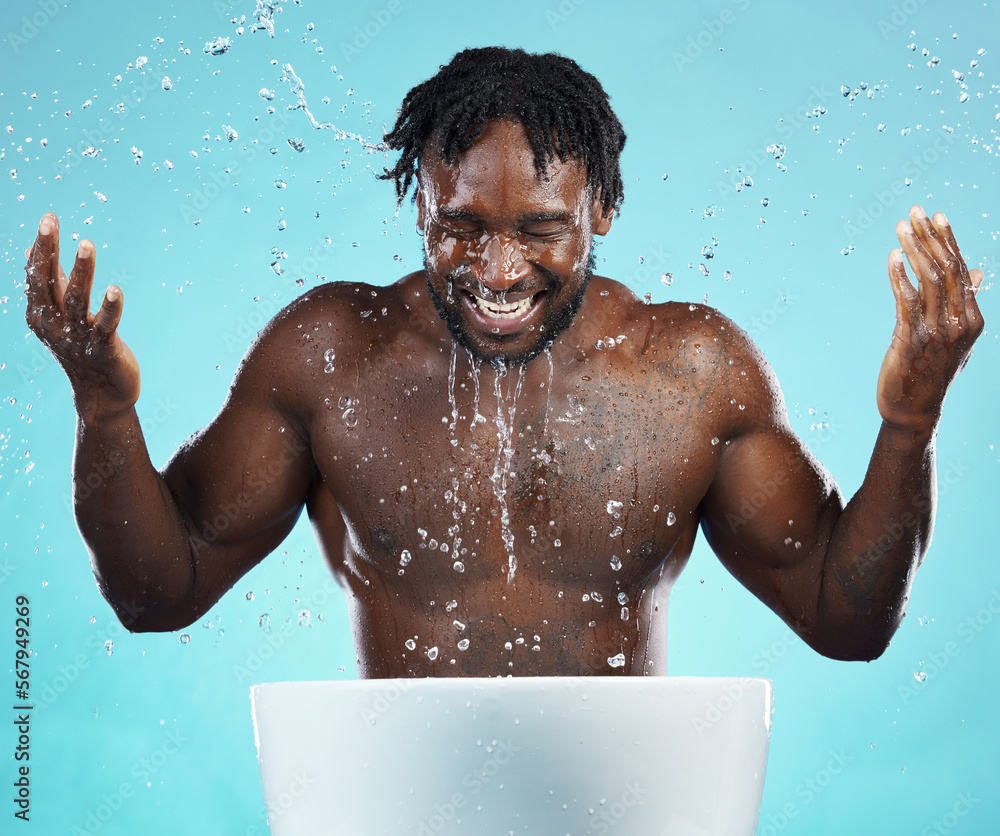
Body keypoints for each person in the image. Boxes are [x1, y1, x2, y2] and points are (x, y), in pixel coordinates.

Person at [24, 47, 983, 677]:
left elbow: (843, 619)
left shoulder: (690, 372)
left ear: (602, 210)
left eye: (540, 230)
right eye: (462, 228)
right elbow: (160, 591)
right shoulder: (330, 356)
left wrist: (910, 424)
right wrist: (104, 413)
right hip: (397, 805)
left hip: (620, 809)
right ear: (418, 208)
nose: (497, 272)